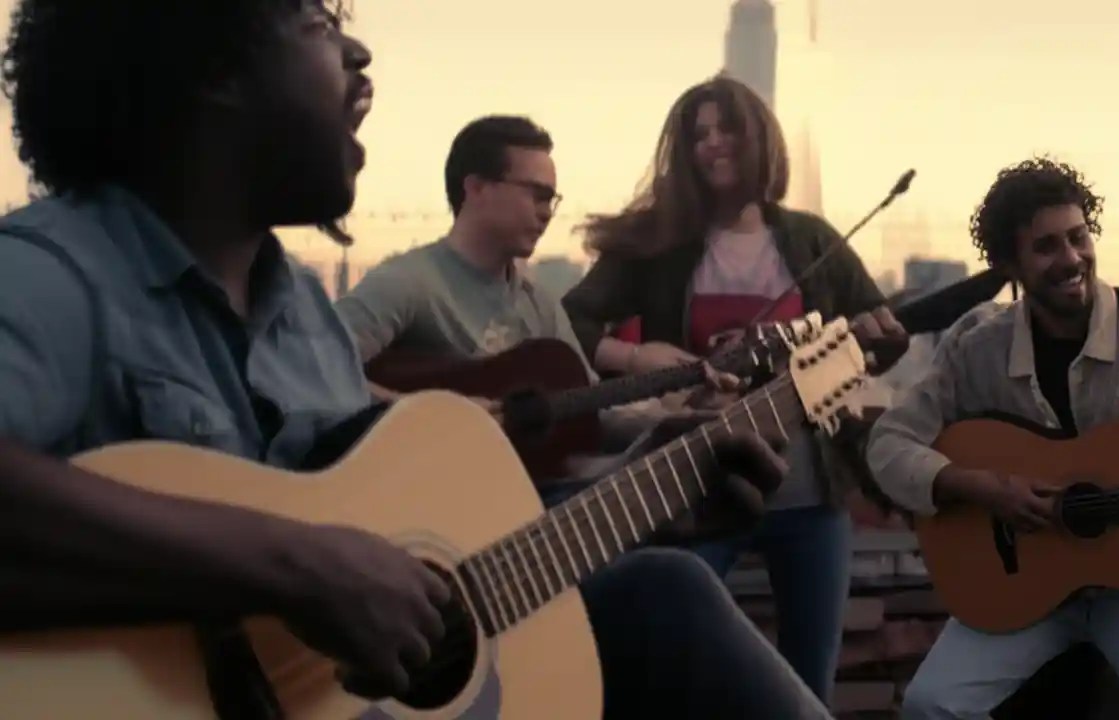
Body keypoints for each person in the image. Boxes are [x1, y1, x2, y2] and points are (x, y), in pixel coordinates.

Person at [0, 3, 835, 718]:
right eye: (316, 21)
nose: (357, 54)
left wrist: (639, 489)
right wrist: (289, 567)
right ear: (209, 61)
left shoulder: (306, 322)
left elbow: (430, 583)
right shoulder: (53, 274)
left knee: (663, 594)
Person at [865, 155, 1119, 719]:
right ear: (1012, 263)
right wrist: (979, 486)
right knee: (932, 704)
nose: (1071, 259)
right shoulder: (977, 346)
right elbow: (888, 443)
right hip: (1027, 589)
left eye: (1078, 237)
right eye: (1046, 248)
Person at [559, 73, 910, 706]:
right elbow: (570, 323)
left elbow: (878, 345)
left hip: (811, 498)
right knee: (672, 667)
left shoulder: (811, 240)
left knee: (809, 684)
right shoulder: (661, 242)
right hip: (700, 490)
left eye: (727, 130)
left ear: (760, 142)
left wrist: (878, 341)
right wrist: (639, 355)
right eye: (699, 135)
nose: (713, 144)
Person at [334, 115, 734, 484]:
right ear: (476, 188)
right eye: (536, 195)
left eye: (552, 200)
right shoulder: (408, 282)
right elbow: (319, 372)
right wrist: (433, 415)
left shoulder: (539, 304)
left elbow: (594, 411)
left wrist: (685, 419)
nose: (547, 213)